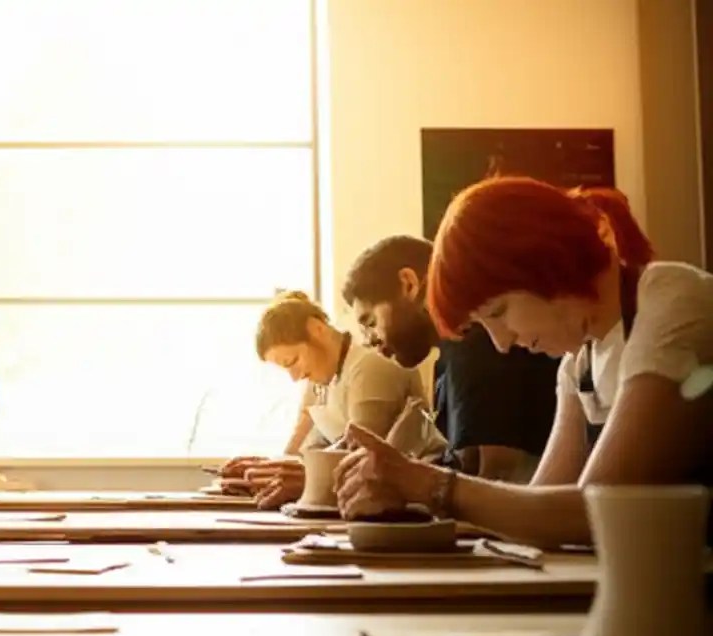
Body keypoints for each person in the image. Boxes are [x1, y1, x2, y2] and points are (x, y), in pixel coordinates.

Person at [334, 178, 713, 547]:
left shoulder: (672, 304)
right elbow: (538, 512)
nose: (501, 343)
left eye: (498, 312)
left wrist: (426, 484)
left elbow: (593, 513)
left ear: (543, 262)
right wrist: (405, 499)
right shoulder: (578, 363)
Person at [342, 235, 559, 481]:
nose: (370, 341)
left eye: (371, 322)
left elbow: (495, 477)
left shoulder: (473, 341)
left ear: (409, 284)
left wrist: (402, 479)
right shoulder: (452, 354)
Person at [222, 291, 438, 508]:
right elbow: (307, 455)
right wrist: (264, 471)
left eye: (293, 361)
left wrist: (287, 473)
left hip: (420, 500)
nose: (295, 377)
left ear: (317, 329)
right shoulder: (323, 381)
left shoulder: (370, 366)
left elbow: (361, 461)